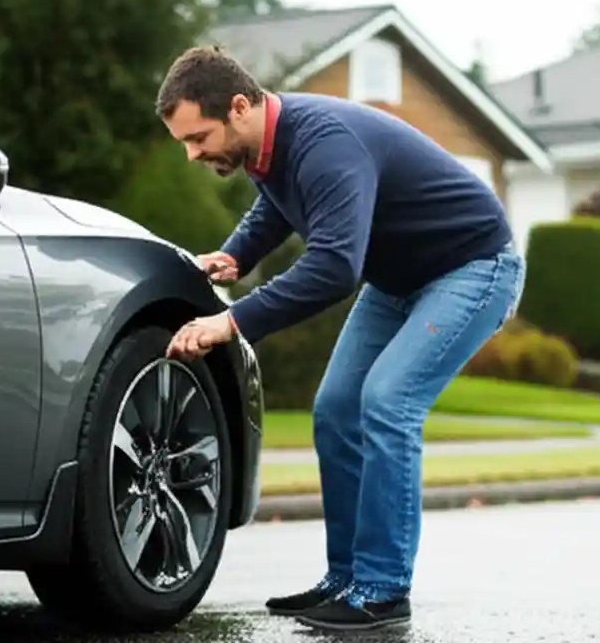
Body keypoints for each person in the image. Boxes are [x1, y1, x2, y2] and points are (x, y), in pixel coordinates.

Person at [156, 45, 524, 632]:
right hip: (400, 280)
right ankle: (346, 579)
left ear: (240, 108)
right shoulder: (270, 149)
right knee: (334, 410)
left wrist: (231, 321)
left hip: (473, 268)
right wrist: (237, 254)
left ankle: (382, 591)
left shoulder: (324, 143)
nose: (193, 154)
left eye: (198, 138)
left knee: (387, 402)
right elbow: (278, 204)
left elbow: (333, 267)